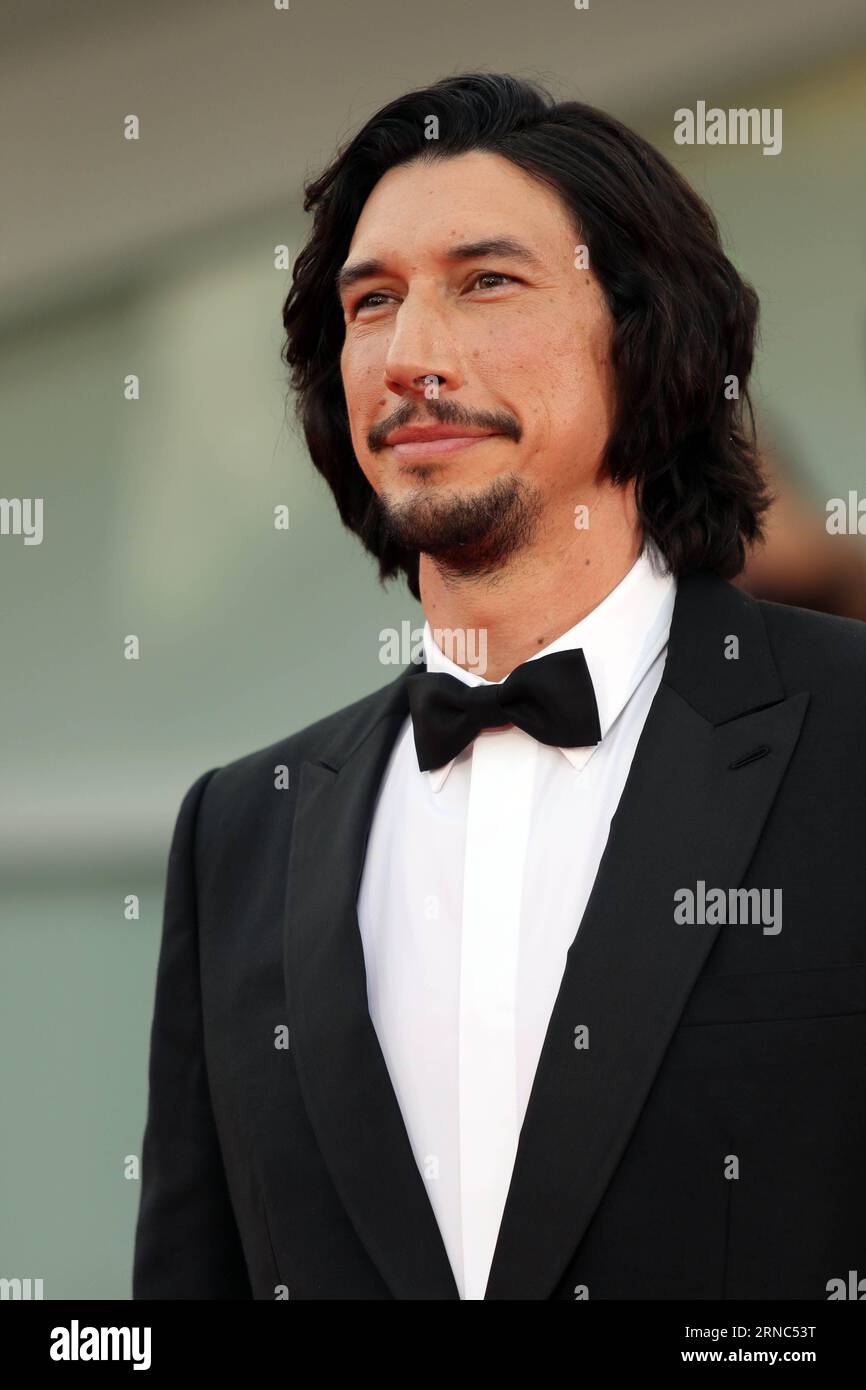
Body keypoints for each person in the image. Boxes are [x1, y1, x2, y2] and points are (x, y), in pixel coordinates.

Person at [133, 72, 866, 1301]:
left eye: (485, 282)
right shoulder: (240, 829)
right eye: (372, 302)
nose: (411, 357)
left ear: (645, 337)